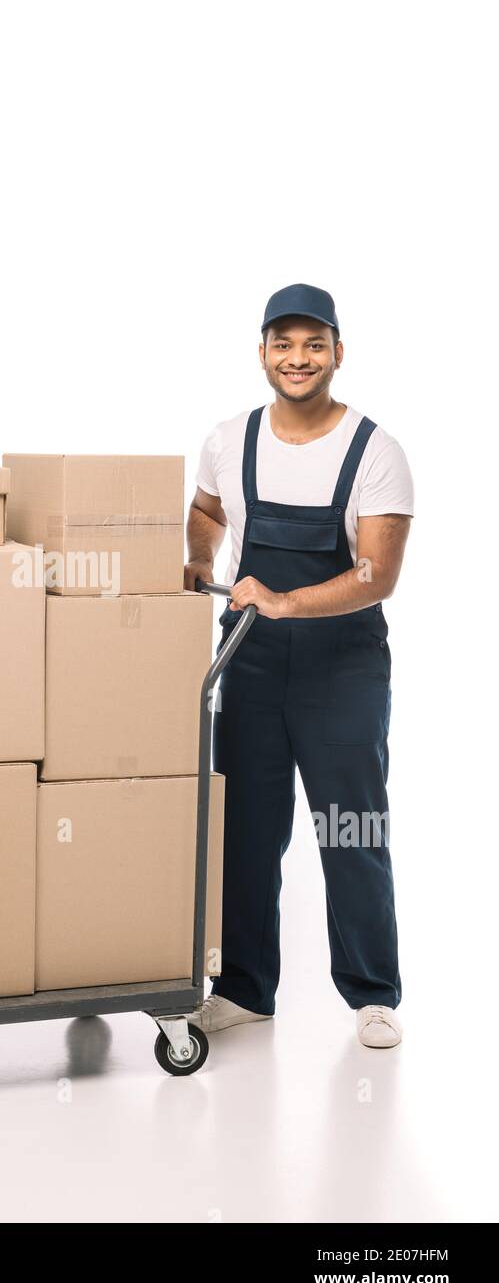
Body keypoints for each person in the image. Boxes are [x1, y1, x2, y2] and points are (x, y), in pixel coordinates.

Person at [185, 284, 413, 1048]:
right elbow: (210, 511)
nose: (297, 358)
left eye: (313, 343)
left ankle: (372, 994)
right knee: (244, 829)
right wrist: (194, 560)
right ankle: (245, 988)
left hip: (340, 669)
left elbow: (376, 574)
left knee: (350, 828)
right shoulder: (229, 438)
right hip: (246, 665)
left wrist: (282, 603)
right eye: (283, 343)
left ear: (337, 354)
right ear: (261, 354)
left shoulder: (374, 450)